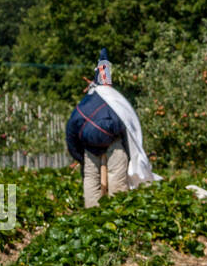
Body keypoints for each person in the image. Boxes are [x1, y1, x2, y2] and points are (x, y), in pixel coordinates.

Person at [65, 49, 154, 206]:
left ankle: (92, 212)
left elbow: (71, 131)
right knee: (116, 177)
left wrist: (80, 157)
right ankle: (116, 210)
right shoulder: (115, 99)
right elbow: (128, 126)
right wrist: (131, 154)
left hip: (89, 144)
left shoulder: (86, 102)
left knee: (91, 178)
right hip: (113, 142)